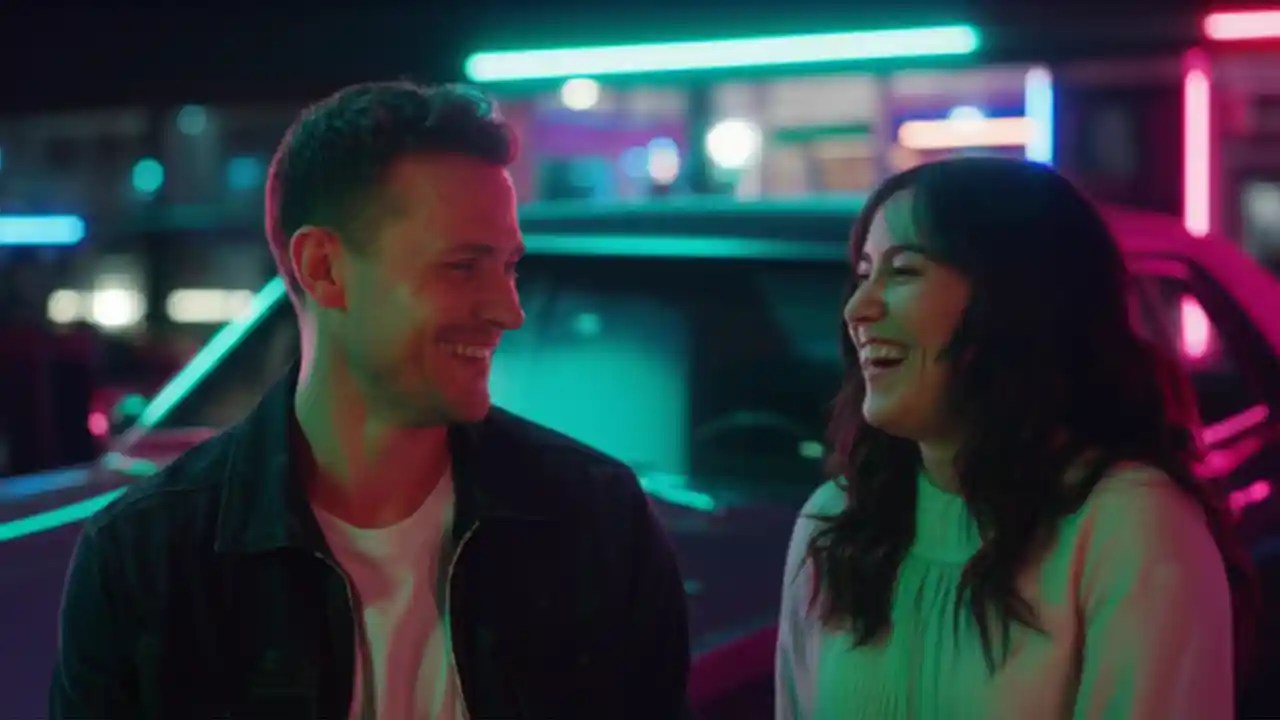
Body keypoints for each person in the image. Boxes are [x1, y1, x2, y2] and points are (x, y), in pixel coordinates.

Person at [50, 81, 692, 719]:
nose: (508, 310)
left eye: (508, 267)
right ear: (324, 268)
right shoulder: (150, 558)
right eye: (462, 267)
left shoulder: (594, 523)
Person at [775, 157, 1257, 719]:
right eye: (862, 274)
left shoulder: (1125, 525)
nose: (859, 309)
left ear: (1011, 302)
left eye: (902, 272)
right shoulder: (835, 523)